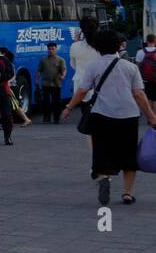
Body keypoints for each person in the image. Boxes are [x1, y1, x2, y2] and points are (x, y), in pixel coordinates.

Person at [62, 28, 156, 206]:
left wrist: (69, 107)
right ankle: (127, 193)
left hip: (101, 115)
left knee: (102, 151)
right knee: (129, 154)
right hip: (128, 115)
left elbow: (82, 91)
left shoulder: (94, 66)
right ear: (119, 46)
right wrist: (151, 116)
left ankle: (104, 176)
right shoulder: (130, 67)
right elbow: (139, 94)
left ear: (97, 47)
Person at [38, 42, 67, 124]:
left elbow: (64, 70)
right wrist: (36, 80)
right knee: (46, 101)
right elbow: (39, 70)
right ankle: (46, 117)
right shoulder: (43, 60)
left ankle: (56, 118)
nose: (51, 51)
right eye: (49, 49)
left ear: (56, 49)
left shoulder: (60, 60)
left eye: (52, 49)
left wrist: (63, 76)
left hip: (56, 84)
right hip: (45, 83)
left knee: (56, 102)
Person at [137, 34, 156, 103]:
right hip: (155, 79)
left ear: (147, 41)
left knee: (147, 97)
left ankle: (148, 112)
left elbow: (137, 67)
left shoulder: (140, 52)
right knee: (154, 99)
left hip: (144, 79)